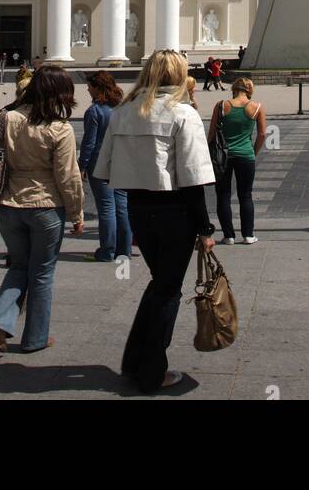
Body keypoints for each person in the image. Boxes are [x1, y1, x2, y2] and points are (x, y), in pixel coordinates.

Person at [93, 50, 216, 395]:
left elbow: (103, 168)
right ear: (179, 75)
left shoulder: (124, 112)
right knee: (167, 292)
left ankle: (134, 359)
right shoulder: (183, 113)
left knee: (160, 284)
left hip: (138, 210)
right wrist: (205, 228)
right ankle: (150, 372)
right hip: (175, 213)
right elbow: (193, 179)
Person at [0, 65, 84, 355]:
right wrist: (76, 214)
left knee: (19, 266)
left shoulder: (2, 119)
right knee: (41, 273)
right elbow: (68, 177)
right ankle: (35, 337)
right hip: (46, 208)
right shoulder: (59, 128)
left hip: (8, 207)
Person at [79, 71, 132, 263]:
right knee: (122, 206)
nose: (87, 89)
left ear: (97, 88)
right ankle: (124, 249)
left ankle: (107, 250)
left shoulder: (94, 111)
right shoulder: (123, 108)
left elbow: (89, 143)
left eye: (90, 86)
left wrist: (82, 165)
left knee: (106, 206)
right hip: (122, 162)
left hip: (99, 164)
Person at [207, 77, 266, 245]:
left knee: (223, 195)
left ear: (233, 88)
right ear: (249, 90)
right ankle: (248, 235)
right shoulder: (257, 107)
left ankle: (228, 235)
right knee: (245, 195)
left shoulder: (221, 106)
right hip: (246, 155)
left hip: (223, 157)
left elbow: (211, 134)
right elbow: (262, 135)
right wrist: (253, 152)